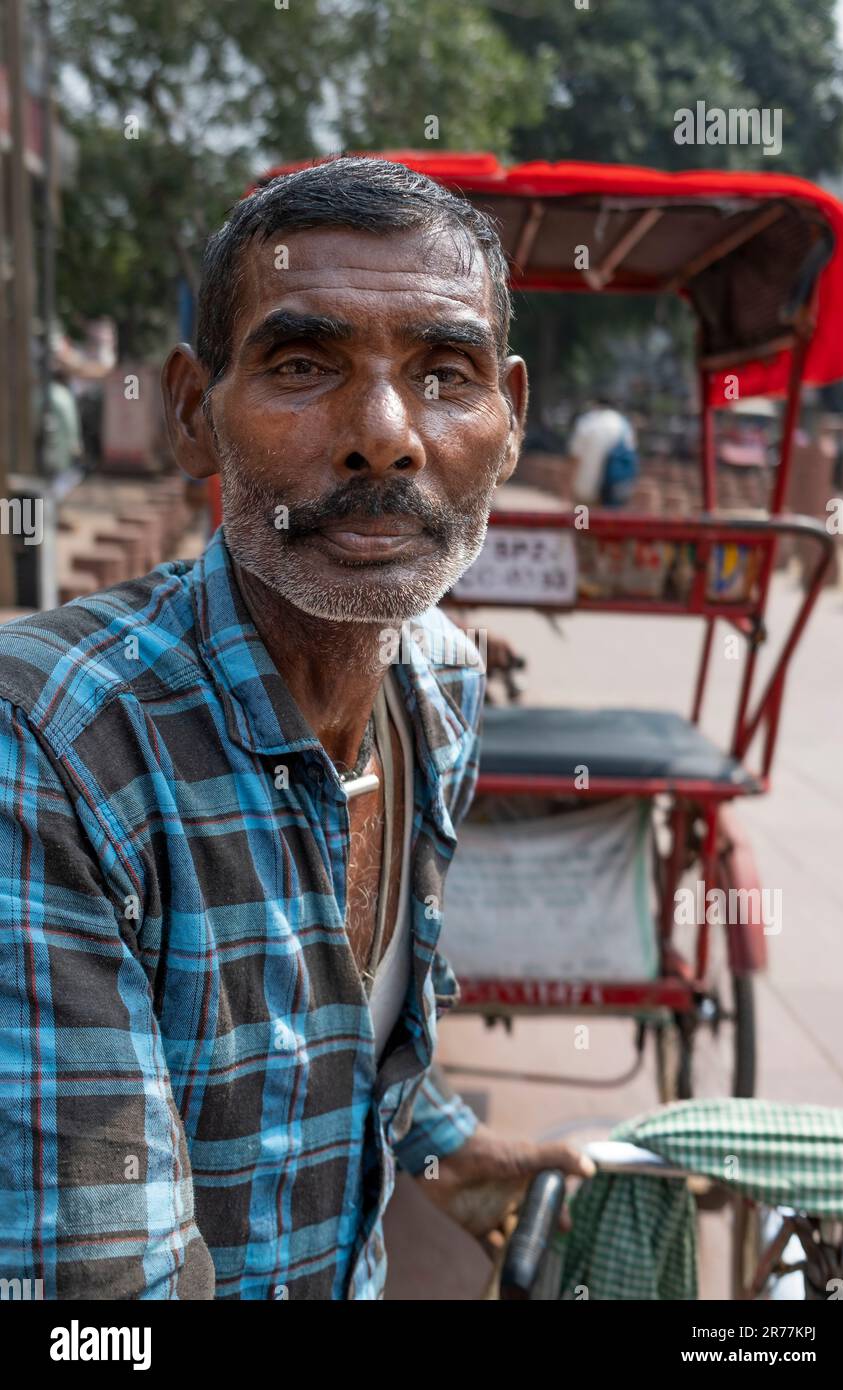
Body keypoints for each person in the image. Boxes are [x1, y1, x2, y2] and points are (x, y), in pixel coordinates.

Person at [0, 155, 592, 1301]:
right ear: (190, 411)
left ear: (508, 419)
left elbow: (337, 1029)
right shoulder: (52, 746)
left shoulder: (438, 691)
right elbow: (98, 1296)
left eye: (443, 373)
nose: (383, 435)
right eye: (303, 363)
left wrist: (443, 1143)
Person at [567, 394, 638, 505]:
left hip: (586, 491)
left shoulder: (587, 422)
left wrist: (567, 489)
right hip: (614, 492)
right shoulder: (624, 425)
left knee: (582, 522)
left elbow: (575, 458)